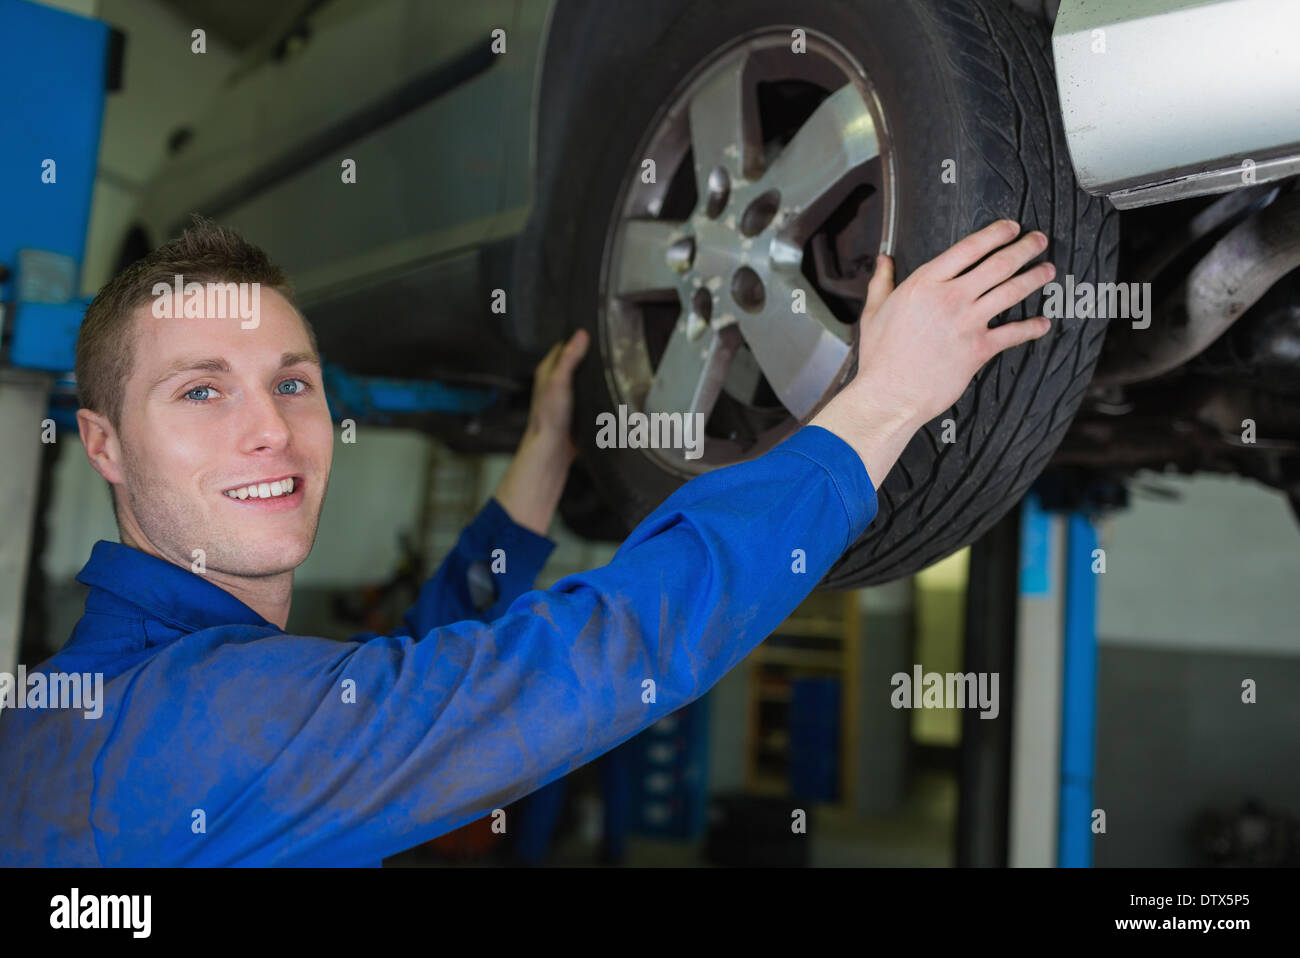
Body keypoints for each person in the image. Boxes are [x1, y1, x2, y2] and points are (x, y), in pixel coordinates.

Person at [0, 216, 1055, 866]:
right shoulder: (196, 720)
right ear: (101, 442)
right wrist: (886, 401)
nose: (269, 427)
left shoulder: (91, 699)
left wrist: (545, 450)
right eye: (199, 390)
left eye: (292, 383)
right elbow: (593, 659)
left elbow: (408, 673)